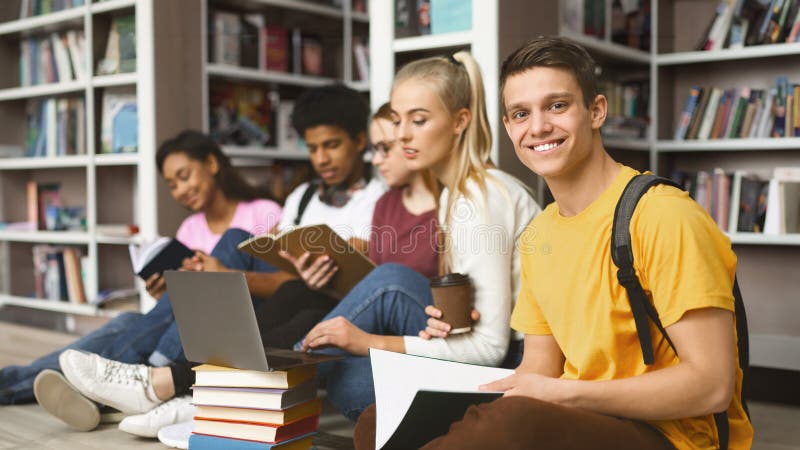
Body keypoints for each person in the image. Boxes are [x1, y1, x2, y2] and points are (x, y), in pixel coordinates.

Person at [354, 37, 754, 450]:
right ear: (509, 127)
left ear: (596, 111)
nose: (539, 126)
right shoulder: (540, 236)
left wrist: (563, 394)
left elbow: (711, 385)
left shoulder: (663, 216)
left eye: (557, 106)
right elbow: (537, 371)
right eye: (521, 113)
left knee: (513, 421)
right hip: (578, 416)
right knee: (380, 418)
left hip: (669, 437)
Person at [49, 84, 388, 436]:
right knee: (140, 315)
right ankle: (158, 382)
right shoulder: (301, 198)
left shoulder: (379, 200)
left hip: (333, 307)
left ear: (360, 141)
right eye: (313, 148)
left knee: (291, 298)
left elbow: (370, 278)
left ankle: (158, 378)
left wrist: (228, 277)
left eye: (331, 146)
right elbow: (282, 263)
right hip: (289, 295)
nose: (321, 159)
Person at [291, 51, 541, 422]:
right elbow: (470, 317)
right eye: (397, 120)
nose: (402, 134)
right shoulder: (454, 195)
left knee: (362, 360)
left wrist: (370, 342)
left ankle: (262, 390)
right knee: (353, 373)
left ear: (460, 121)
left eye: (419, 120)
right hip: (492, 347)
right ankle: (264, 390)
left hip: (516, 362)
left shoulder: (480, 198)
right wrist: (443, 317)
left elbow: (489, 347)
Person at [0, 130, 281, 416]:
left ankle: (118, 383)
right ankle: (10, 384)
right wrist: (164, 293)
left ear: (211, 163)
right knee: (125, 322)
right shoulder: (190, 228)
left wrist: (220, 275)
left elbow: (284, 287)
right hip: (178, 329)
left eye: (184, 176)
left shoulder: (264, 213)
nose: (180, 190)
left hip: (236, 322)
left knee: (209, 271)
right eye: (172, 185)